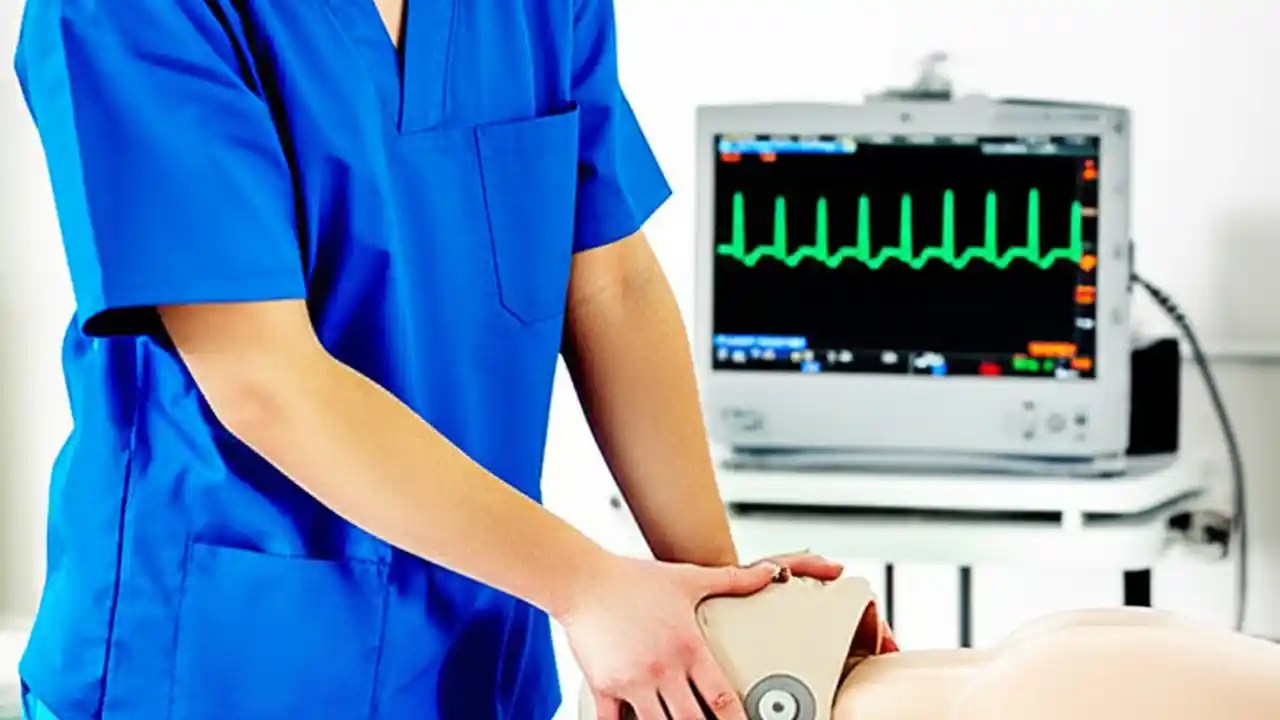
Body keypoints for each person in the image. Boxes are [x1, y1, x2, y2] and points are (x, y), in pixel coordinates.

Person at [13, 1, 883, 718]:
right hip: (213, 670)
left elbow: (609, 282)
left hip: (479, 658)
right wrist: (588, 588)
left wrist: (715, 612)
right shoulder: (133, 12)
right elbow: (265, 380)